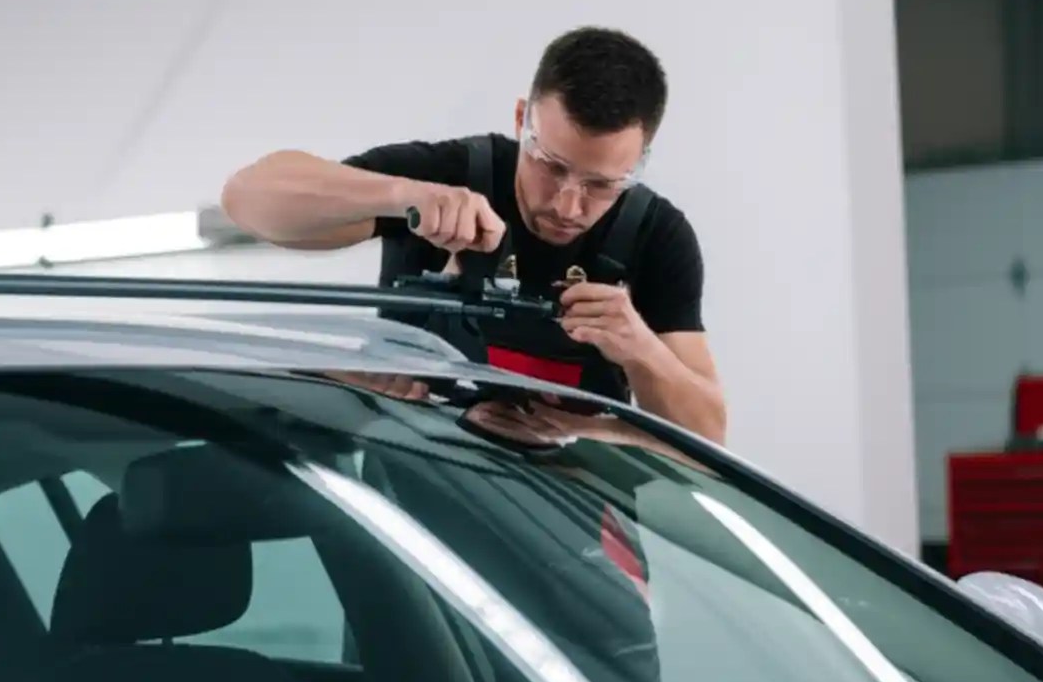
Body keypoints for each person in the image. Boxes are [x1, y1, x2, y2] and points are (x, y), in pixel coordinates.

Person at [222, 26, 726, 444]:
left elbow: (707, 437)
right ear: (519, 120)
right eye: (550, 166)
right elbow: (246, 199)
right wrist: (402, 196)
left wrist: (640, 350)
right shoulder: (454, 173)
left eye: (602, 185)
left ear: (639, 164)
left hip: (580, 519)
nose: (567, 206)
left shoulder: (657, 236)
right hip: (422, 498)